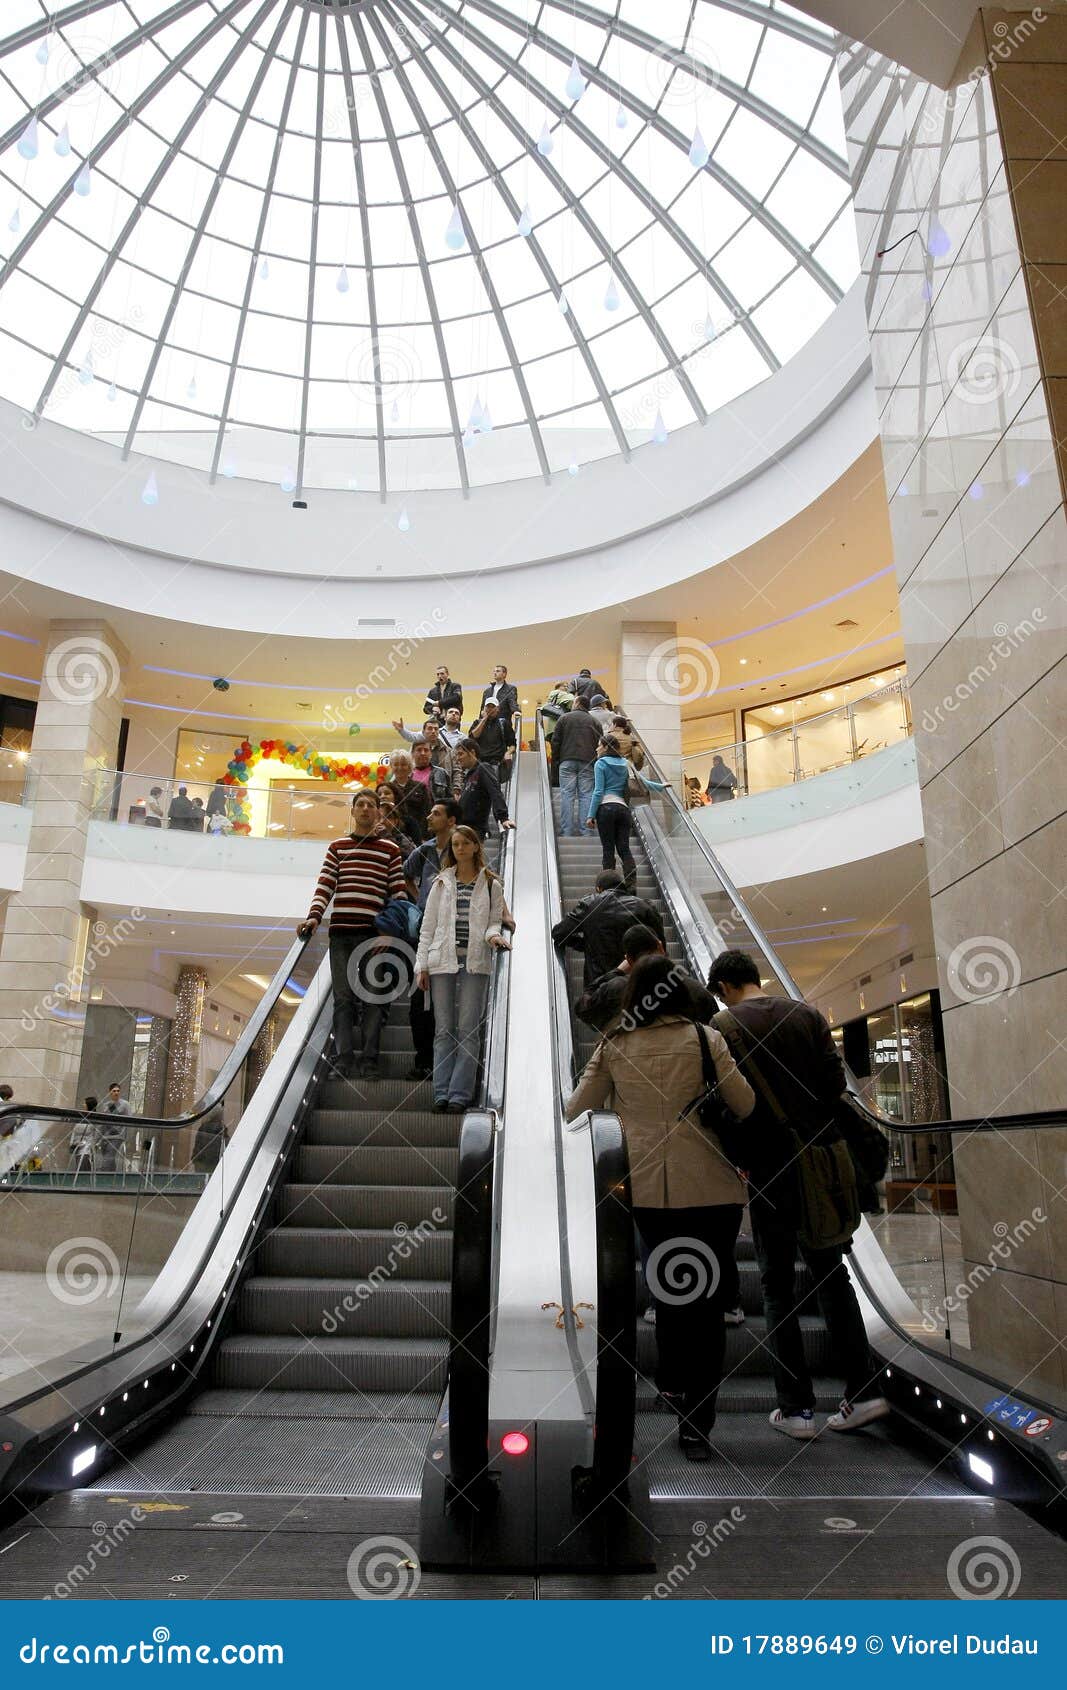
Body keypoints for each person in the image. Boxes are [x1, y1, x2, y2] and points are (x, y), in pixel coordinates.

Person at [565, 953, 754, 1460]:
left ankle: (671, 1381)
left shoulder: (615, 1045)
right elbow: (745, 1104)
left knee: (668, 1285)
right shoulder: (704, 1038)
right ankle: (697, 1423)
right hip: (711, 1188)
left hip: (646, 1189)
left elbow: (573, 1107)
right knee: (708, 1302)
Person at [706, 949, 890, 1437]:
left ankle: (796, 1409)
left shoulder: (724, 1027)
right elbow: (834, 1086)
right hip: (823, 1166)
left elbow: (727, 1105)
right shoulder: (806, 1014)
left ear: (723, 986)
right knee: (832, 1274)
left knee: (777, 1285)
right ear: (755, 978)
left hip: (771, 1170)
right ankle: (863, 1392)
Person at [298, 787, 408, 1080]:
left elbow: (398, 896)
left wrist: (389, 934)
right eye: (360, 805)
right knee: (343, 999)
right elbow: (325, 885)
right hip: (342, 934)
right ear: (353, 811)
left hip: (374, 935)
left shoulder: (390, 851)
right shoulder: (337, 847)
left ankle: (370, 1060)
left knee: (373, 998)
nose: (365, 809)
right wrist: (313, 916)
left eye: (370, 805)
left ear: (377, 812)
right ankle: (343, 1061)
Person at [415, 825, 510, 1112]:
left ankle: (459, 1095)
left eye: (465, 843)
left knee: (469, 1029)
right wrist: (421, 966)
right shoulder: (440, 883)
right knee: (444, 1029)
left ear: (475, 846)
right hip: (441, 960)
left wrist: (494, 935)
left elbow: (494, 920)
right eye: (455, 844)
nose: (460, 848)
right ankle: (440, 1093)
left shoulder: (492, 883)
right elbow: (427, 927)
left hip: (475, 960)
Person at [404, 799, 460, 1081]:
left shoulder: (462, 847)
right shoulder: (424, 850)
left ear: (451, 821)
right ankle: (423, 1060)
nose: (429, 816)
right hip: (425, 929)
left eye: (436, 813)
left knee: (447, 999)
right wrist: (420, 899)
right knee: (419, 999)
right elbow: (405, 874)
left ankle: (448, 1063)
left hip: (453, 930)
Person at [577, 924, 717, 1034]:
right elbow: (716, 1032)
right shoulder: (697, 991)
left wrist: (617, 971)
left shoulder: (617, 988)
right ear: (660, 947)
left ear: (629, 960)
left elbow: (584, 1009)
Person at [551, 868, 664, 992]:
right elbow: (661, 947)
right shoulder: (645, 907)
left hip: (600, 987)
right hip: (638, 987)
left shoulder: (590, 904)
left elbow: (559, 932)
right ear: (623, 887)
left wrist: (585, 943)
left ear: (599, 889)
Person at [586, 733, 647, 888]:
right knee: (624, 849)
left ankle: (609, 888)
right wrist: (662, 786)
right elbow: (642, 782)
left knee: (608, 850)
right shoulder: (625, 763)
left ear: (606, 747)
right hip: (623, 809)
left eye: (599, 745)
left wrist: (591, 815)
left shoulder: (600, 764)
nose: (597, 748)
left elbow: (598, 791)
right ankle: (631, 885)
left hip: (605, 809)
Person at [552, 696, 601, 837]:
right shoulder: (595, 722)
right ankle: (586, 831)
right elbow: (600, 745)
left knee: (567, 796)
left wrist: (556, 761)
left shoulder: (564, 718)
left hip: (567, 761)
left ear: (577, 703)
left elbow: (556, 741)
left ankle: (566, 831)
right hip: (588, 762)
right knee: (586, 796)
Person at [454, 738, 513, 839]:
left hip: (475, 831)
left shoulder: (484, 768)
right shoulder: (469, 775)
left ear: (472, 752)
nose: (458, 758)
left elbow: (495, 791)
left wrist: (503, 817)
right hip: (463, 829)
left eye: (460, 754)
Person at [392, 716, 457, 793]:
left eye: (436, 729)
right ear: (423, 732)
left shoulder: (448, 750)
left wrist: (457, 790)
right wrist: (402, 730)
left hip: (441, 792)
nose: (433, 731)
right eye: (430, 728)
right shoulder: (415, 745)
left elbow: (457, 770)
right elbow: (410, 736)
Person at [385, 748, 431, 842]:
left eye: (403, 764)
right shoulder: (387, 789)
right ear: (391, 767)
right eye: (396, 764)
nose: (400, 767)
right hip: (394, 837)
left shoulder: (420, 787)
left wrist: (424, 837)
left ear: (409, 766)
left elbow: (427, 812)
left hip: (418, 836)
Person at [468, 697, 511, 785]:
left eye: (493, 707)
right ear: (484, 709)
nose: (490, 709)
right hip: (478, 764)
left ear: (497, 709)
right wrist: (484, 719)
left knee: (493, 791)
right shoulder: (477, 723)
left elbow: (513, 743)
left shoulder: (503, 723)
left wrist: (508, 752)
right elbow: (473, 737)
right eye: (488, 707)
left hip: (495, 765)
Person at [375, 784, 418, 861]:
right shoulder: (370, 836)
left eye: (387, 793)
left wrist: (387, 836)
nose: (382, 796)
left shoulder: (403, 837)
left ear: (396, 821)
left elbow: (411, 858)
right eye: (379, 794)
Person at [96, 1081, 132, 1173]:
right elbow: (102, 1122)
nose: (116, 1092)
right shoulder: (106, 1105)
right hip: (105, 1136)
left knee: (109, 1157)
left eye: (118, 1091)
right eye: (114, 1091)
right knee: (108, 1158)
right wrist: (98, 1138)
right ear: (110, 1092)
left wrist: (125, 1136)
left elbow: (130, 1120)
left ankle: (103, 1173)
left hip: (117, 1136)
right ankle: (111, 1177)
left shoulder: (125, 1104)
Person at [410, 737, 454, 807]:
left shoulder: (441, 773)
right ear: (412, 754)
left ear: (431, 754)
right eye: (419, 750)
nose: (423, 753)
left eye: (426, 750)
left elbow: (451, 800)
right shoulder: (408, 776)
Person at [69, 1094, 98, 1174]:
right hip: (78, 1150)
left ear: (89, 1105)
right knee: (81, 1173)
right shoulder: (82, 1117)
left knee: (82, 1174)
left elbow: (95, 1138)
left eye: (85, 1103)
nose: (83, 1105)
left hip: (85, 1151)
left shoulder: (94, 1120)